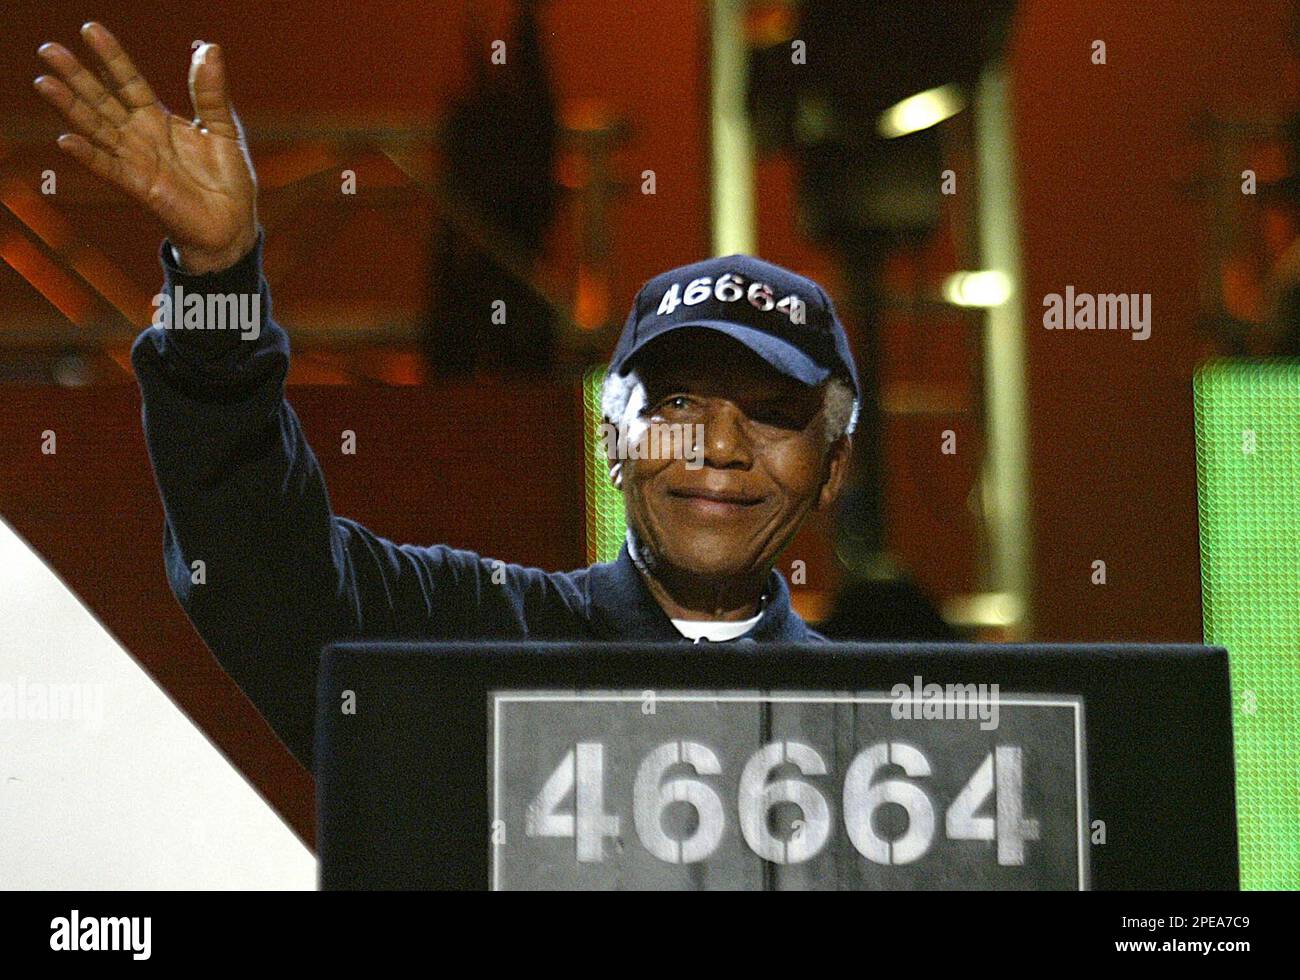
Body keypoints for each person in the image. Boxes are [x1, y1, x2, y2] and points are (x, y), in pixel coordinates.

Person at [34, 23, 861, 770]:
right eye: (677, 404)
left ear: (832, 468)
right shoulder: (469, 644)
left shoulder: (884, 734)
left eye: (770, 410)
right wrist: (218, 284)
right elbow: (257, 563)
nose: (717, 445)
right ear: (611, 438)